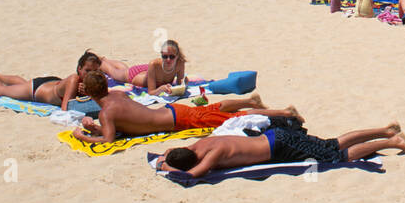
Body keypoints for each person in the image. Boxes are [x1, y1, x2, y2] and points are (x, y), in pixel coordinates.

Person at [71, 73, 294, 143]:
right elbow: (124, 125)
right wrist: (97, 128)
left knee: (233, 118)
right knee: (214, 108)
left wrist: (83, 136)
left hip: (178, 121)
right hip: (173, 112)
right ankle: (249, 100)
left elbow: (109, 140)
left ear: (89, 93)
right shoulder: (117, 95)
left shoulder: (105, 113)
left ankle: (285, 112)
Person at [156, 120, 405, 176]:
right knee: (332, 142)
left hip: (280, 147)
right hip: (275, 134)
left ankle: (391, 141)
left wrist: (166, 166)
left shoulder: (211, 155)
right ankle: (385, 129)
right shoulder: (203, 144)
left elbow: (193, 174)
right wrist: (167, 158)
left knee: (334, 155)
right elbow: (171, 152)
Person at [93, 40, 189, 92]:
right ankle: (96, 60)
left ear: (177, 56)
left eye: (172, 57)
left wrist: (184, 82)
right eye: (164, 56)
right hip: (134, 75)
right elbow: (151, 92)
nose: (168, 60)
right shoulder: (154, 64)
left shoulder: (180, 63)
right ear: (161, 55)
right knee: (112, 72)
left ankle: (104, 59)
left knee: (123, 69)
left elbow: (180, 83)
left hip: (148, 72)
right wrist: (161, 89)